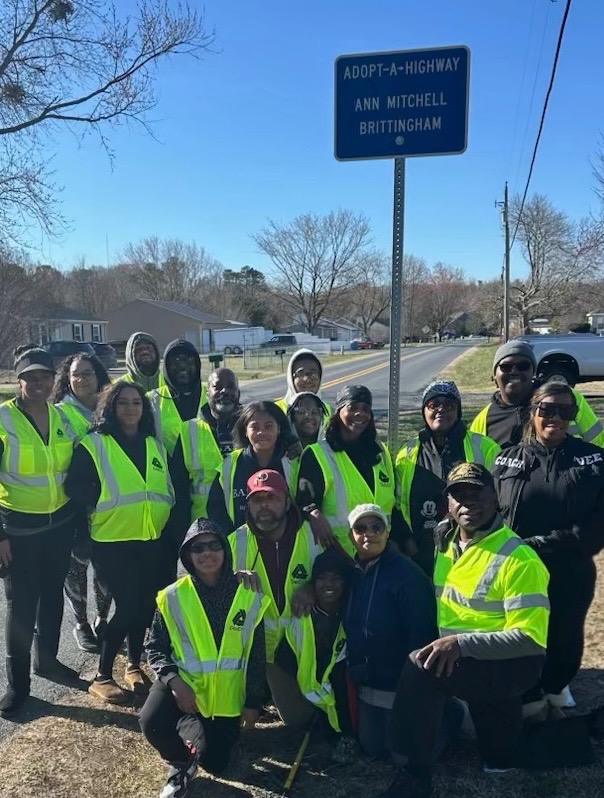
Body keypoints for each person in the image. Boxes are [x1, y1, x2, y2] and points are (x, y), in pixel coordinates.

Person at [383, 463, 603, 798]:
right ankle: (588, 729)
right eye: (459, 495)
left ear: (496, 498)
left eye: (477, 492)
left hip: (511, 663)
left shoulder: (519, 558)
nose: (468, 502)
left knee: (422, 667)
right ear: (448, 504)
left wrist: (460, 644)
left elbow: (529, 640)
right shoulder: (447, 544)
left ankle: (413, 776)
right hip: (475, 663)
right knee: (502, 756)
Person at [491, 381, 604, 713]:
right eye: (547, 409)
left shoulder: (594, 460)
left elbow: (598, 524)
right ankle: (527, 697)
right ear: (533, 412)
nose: (556, 417)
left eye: (565, 411)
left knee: (564, 638)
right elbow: (488, 511)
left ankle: (555, 688)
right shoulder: (506, 460)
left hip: (570, 569)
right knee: (520, 634)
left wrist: (547, 543)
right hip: (518, 571)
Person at [140, 518, 269, 798]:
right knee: (151, 723)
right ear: (187, 555)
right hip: (183, 683)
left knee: (217, 764)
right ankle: (181, 761)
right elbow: (155, 647)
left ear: (225, 550)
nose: (206, 553)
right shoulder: (173, 596)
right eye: (197, 548)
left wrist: (253, 703)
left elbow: (257, 655)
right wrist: (175, 682)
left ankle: (193, 727)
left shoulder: (247, 593)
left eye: (213, 545)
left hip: (224, 698)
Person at [65, 381, 174, 704]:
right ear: (110, 407)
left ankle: (134, 665)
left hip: (149, 538)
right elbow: (74, 487)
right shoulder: (95, 443)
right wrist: (98, 499)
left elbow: (162, 487)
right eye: (123, 402)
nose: (130, 408)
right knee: (127, 608)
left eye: (136, 402)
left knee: (145, 605)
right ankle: (101, 676)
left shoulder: (153, 444)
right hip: (111, 540)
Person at [0, 348, 80, 717]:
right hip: (18, 532)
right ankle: (18, 686)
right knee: (21, 608)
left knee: (52, 598)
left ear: (53, 380)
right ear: (18, 380)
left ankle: (47, 661)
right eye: (30, 377)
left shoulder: (62, 416)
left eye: (44, 376)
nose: (38, 383)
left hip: (59, 527)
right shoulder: (3, 420)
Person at [344, 504, 438, 760]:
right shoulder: (352, 572)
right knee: (373, 750)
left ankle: (450, 715)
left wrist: (414, 686)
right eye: (360, 528)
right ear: (351, 535)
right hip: (368, 689)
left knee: (404, 757)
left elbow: (423, 636)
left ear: (387, 532)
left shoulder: (408, 576)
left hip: (401, 688)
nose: (369, 534)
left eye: (377, 527)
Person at [394, 380, 500, 575]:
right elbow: (397, 504)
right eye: (434, 404)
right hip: (419, 556)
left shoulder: (485, 447)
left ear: (458, 411)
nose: (441, 409)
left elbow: (499, 500)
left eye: (449, 405)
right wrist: (408, 544)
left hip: (473, 552)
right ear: (424, 411)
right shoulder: (406, 453)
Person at [50, 352, 112, 653]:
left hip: (108, 499)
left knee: (106, 565)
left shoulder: (110, 409)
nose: (82, 379)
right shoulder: (60, 413)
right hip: (72, 501)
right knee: (76, 567)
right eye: (76, 374)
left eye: (88, 373)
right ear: (67, 379)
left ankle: (102, 619)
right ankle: (81, 623)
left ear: (98, 376)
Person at [229, 469, 322, 664]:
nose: (264, 504)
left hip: (305, 653)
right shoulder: (234, 542)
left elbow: (341, 574)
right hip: (254, 656)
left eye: (272, 497)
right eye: (257, 499)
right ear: (248, 505)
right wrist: (231, 580)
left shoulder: (314, 534)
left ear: (287, 502)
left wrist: (314, 587)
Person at [271, 548, 355, 761]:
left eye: (336, 579)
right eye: (322, 578)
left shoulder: (354, 611)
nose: (329, 584)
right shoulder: (301, 619)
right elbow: (285, 660)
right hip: (311, 690)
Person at [296, 385, 396, 556]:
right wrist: (313, 511)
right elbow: (305, 502)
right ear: (339, 412)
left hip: (379, 553)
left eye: (365, 409)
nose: (360, 413)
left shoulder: (380, 453)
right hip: (337, 556)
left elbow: (392, 505)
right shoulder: (318, 454)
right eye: (352, 407)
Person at [469, 340, 604, 448]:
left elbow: (598, 442)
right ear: (494, 375)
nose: (514, 371)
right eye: (506, 367)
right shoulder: (483, 419)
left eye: (523, 366)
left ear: (533, 372)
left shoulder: (567, 397)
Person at [207, 401, 298, 534]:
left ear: (279, 428)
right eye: (255, 427)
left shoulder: (294, 461)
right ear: (245, 431)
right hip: (241, 543)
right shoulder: (230, 464)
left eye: (268, 426)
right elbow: (216, 510)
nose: (261, 432)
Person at [178, 367, 241, 522]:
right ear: (207, 394)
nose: (224, 391)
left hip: (244, 523)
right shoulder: (188, 430)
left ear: (238, 393)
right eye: (217, 387)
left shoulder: (252, 427)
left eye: (230, 386)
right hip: (205, 526)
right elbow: (178, 489)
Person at [148, 339, 207, 457]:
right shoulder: (151, 400)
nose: (182, 365)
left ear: (197, 364)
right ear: (166, 366)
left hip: (209, 469)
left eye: (188, 359)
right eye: (175, 360)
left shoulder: (212, 396)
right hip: (167, 468)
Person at [275, 348, 332, 416]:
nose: (307, 380)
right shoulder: (275, 410)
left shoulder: (329, 411)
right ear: (291, 378)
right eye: (300, 374)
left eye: (313, 374)